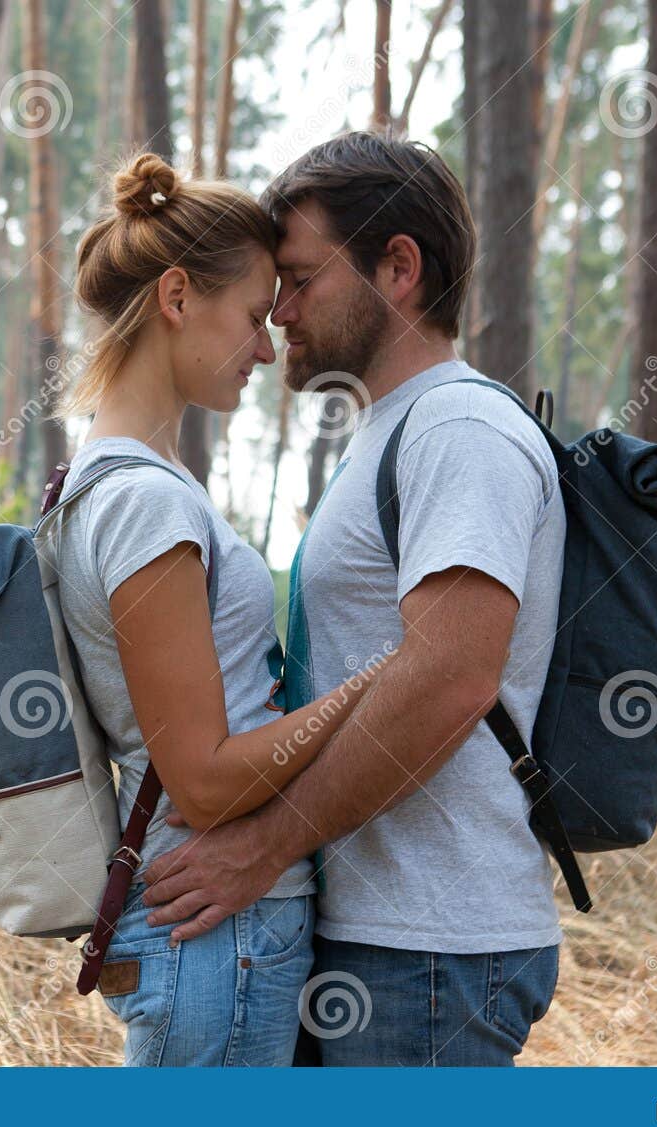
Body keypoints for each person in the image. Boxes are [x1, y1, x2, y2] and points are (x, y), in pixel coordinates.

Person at [141, 132, 566, 1066]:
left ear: (398, 267)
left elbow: (453, 676)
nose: (278, 309)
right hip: (382, 937)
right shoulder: (390, 432)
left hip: (428, 948)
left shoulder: (460, 429)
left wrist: (264, 846)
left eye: (300, 279)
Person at [51, 152, 387, 1066]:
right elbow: (199, 778)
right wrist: (375, 688)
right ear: (175, 298)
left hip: (215, 934)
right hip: (217, 937)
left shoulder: (119, 484)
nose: (269, 345)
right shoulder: (143, 502)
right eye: (251, 313)